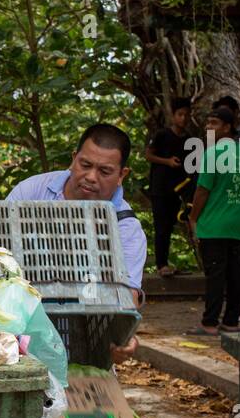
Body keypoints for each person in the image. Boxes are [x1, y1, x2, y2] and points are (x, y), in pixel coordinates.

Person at [8, 123, 147, 362]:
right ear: (74, 159)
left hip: (83, 339)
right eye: (85, 165)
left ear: (122, 175)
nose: (91, 177)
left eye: (104, 171)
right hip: (16, 328)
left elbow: (128, 295)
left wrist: (123, 337)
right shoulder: (31, 191)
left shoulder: (126, 229)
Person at [186, 106, 240, 335]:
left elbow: (202, 190)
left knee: (215, 276)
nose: (208, 127)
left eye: (214, 123)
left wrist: (193, 217)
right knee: (235, 275)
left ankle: (209, 323)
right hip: (237, 224)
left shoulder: (213, 153)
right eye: (208, 123)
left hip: (214, 224)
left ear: (227, 127)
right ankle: (231, 321)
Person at [144, 97, 194, 278]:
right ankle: (161, 264)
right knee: (161, 227)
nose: (183, 119)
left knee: (171, 226)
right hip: (160, 188)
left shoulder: (189, 139)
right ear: (173, 116)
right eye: (180, 115)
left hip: (178, 189)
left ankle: (167, 262)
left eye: (186, 115)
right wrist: (167, 162)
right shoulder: (162, 135)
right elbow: (148, 155)